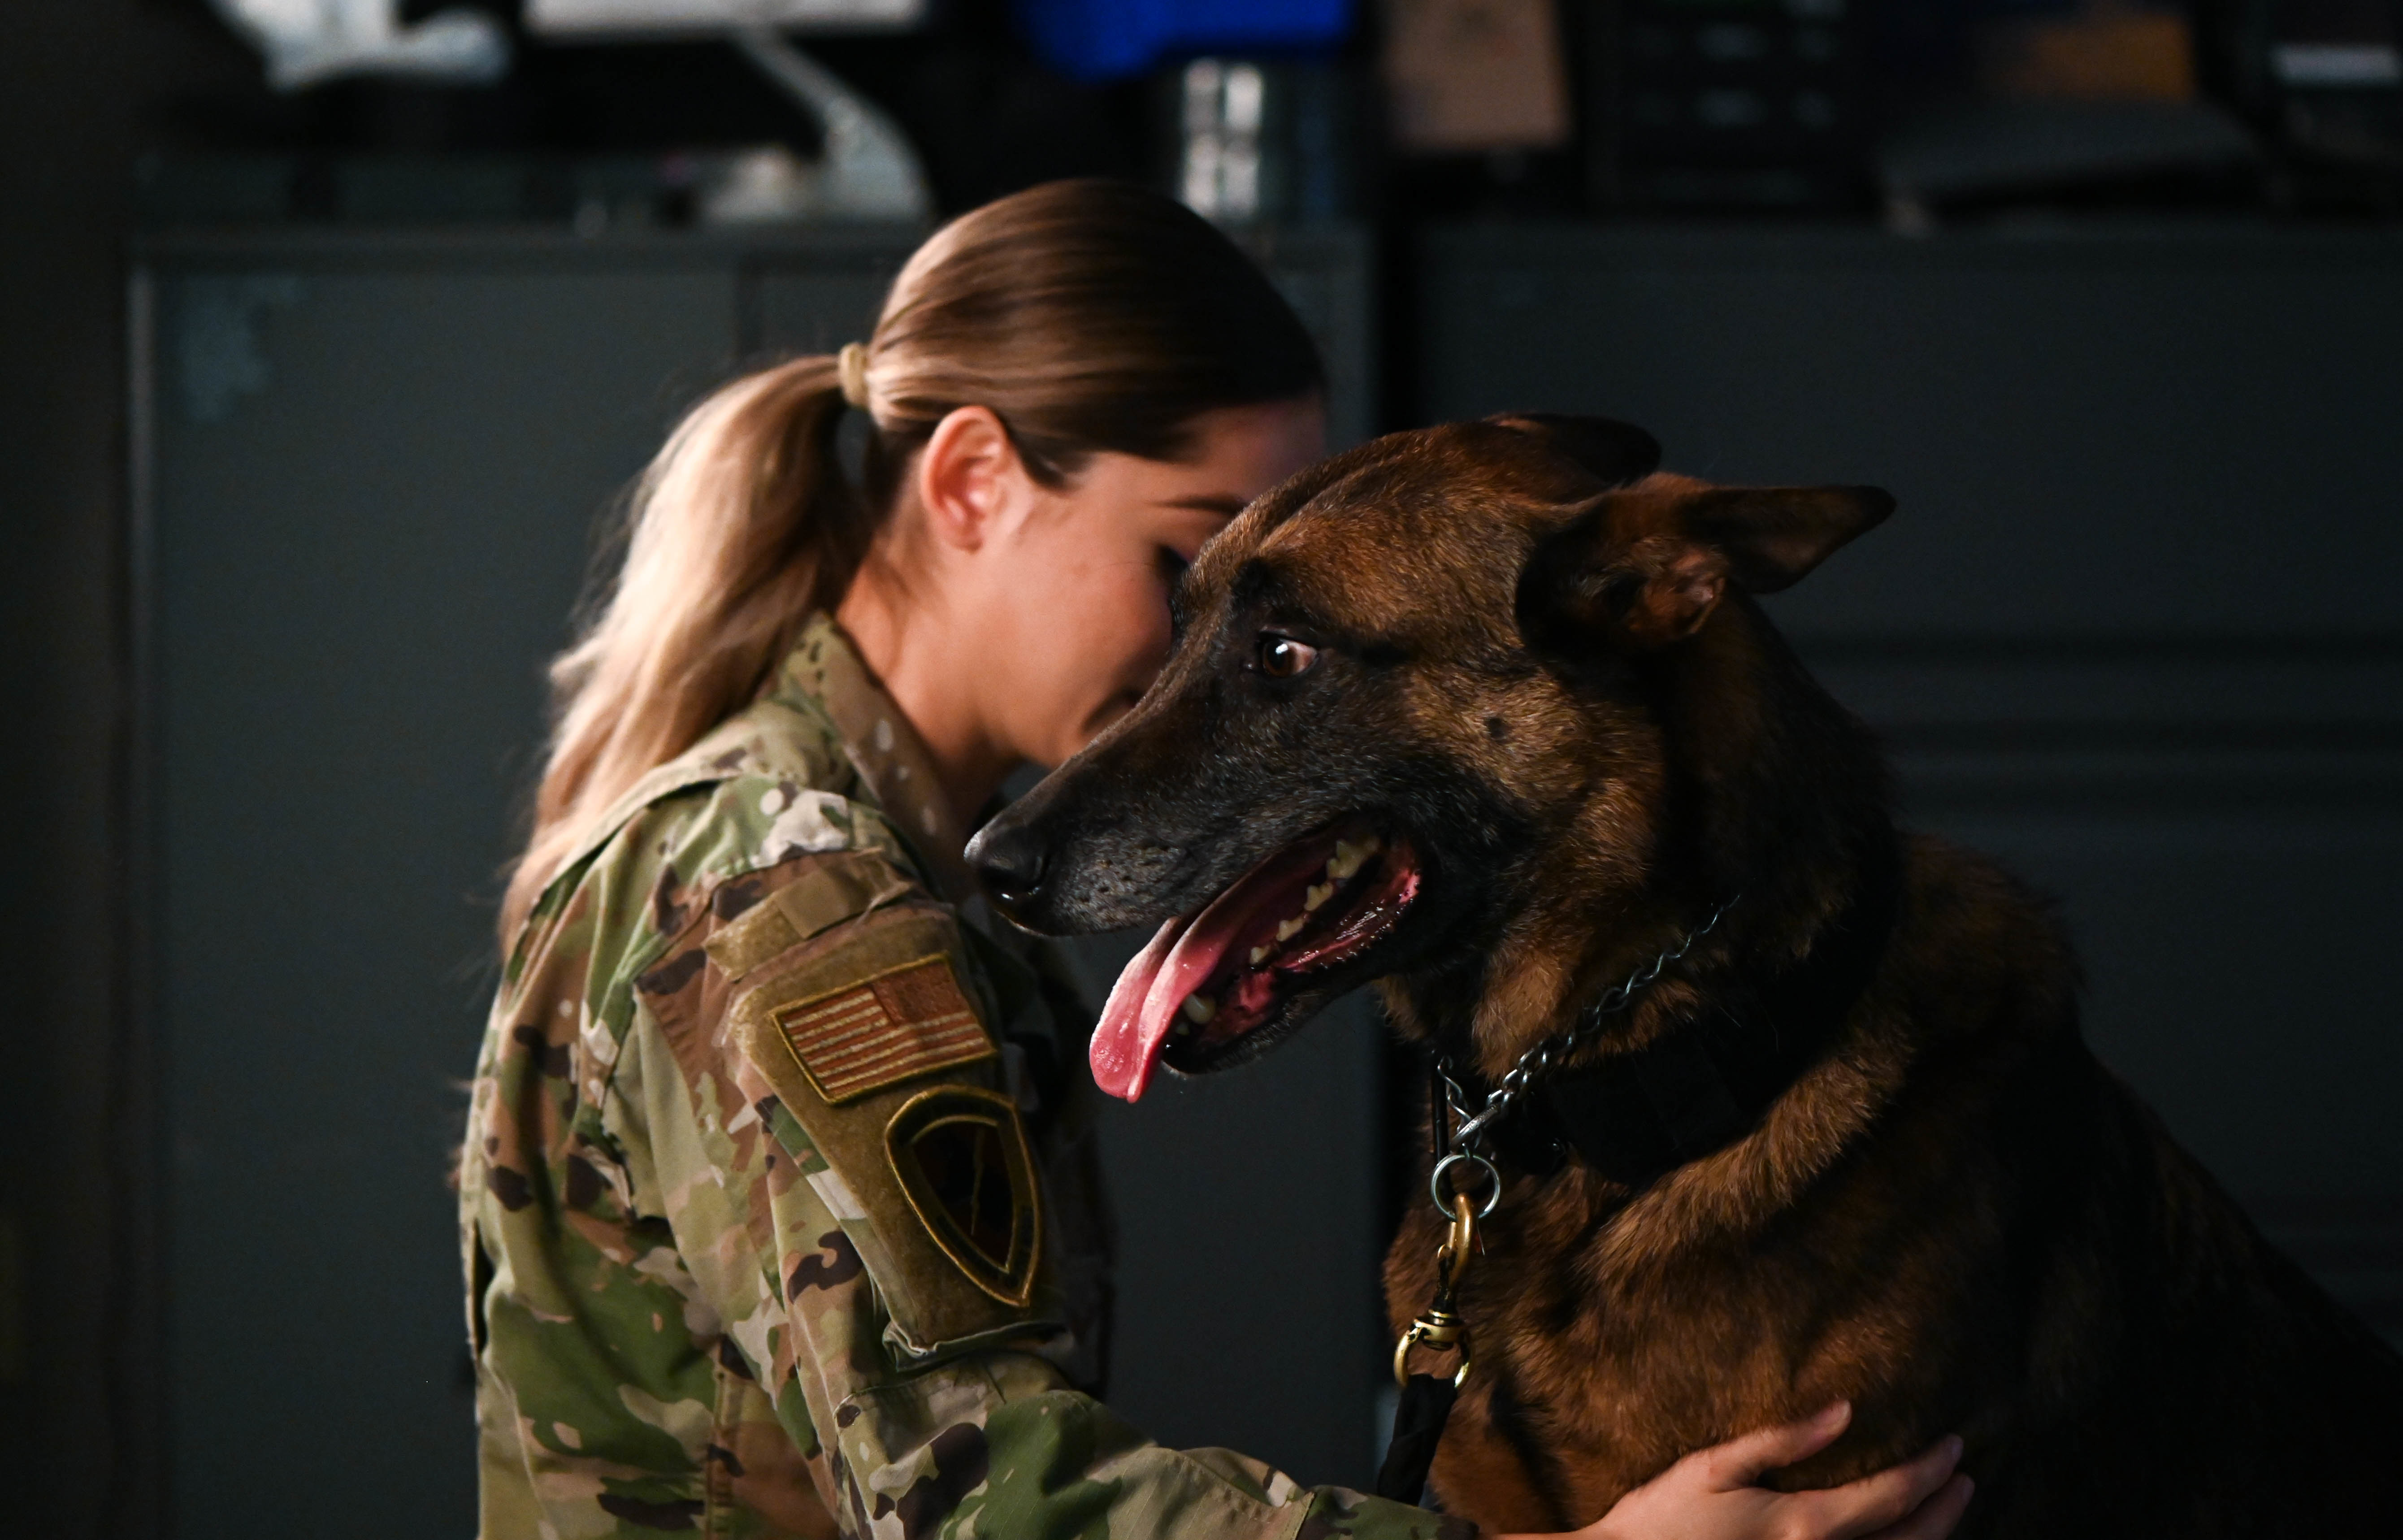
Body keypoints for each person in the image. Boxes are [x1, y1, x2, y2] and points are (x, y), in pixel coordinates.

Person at [460, 178, 1974, 1540]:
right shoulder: (797, 890)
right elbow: (985, 1504)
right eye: (1182, 569)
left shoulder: (850, 839)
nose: (1192, 695)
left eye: (1284, 641)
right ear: (974, 481)